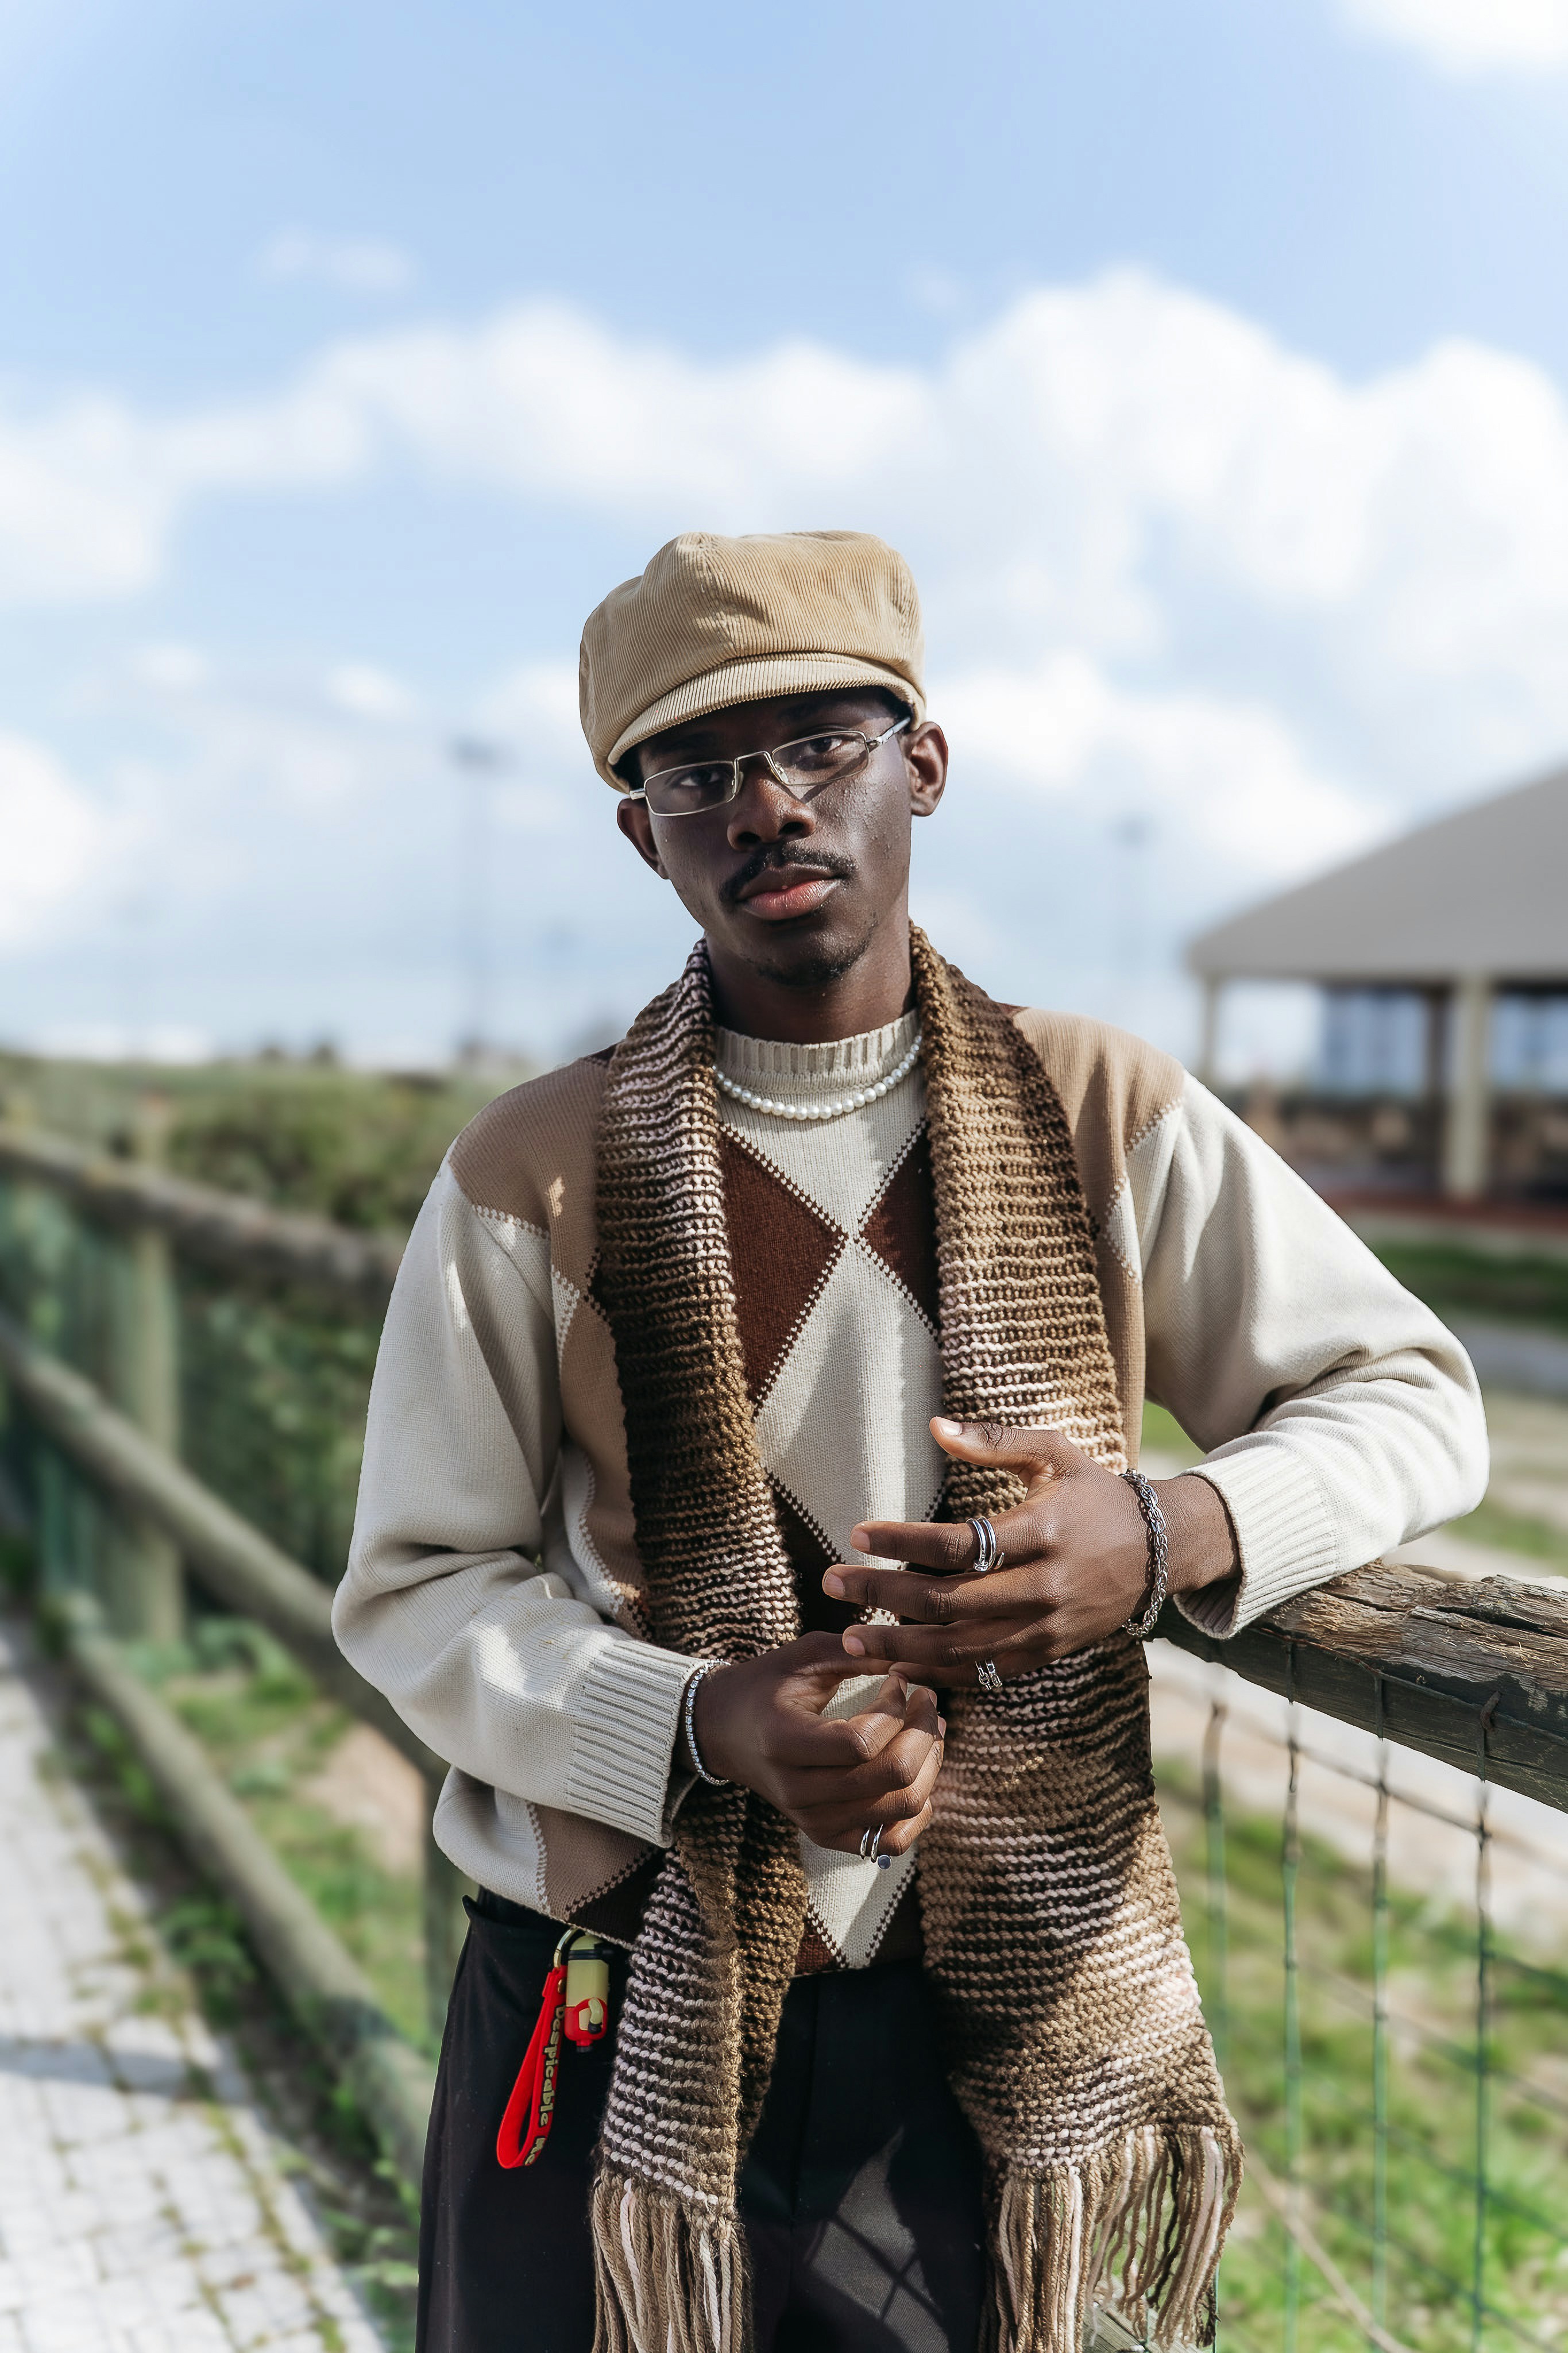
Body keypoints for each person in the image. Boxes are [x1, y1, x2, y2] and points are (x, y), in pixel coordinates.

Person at [334, 530, 1486, 2353]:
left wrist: (1168, 1528)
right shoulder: (529, 1172)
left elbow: (1415, 1396)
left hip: (984, 2025)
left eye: (820, 744)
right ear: (643, 835)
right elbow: (415, 1586)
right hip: (619, 1980)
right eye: (698, 772)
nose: (767, 806)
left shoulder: (1101, 1111)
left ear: (921, 766)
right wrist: (700, 1721)